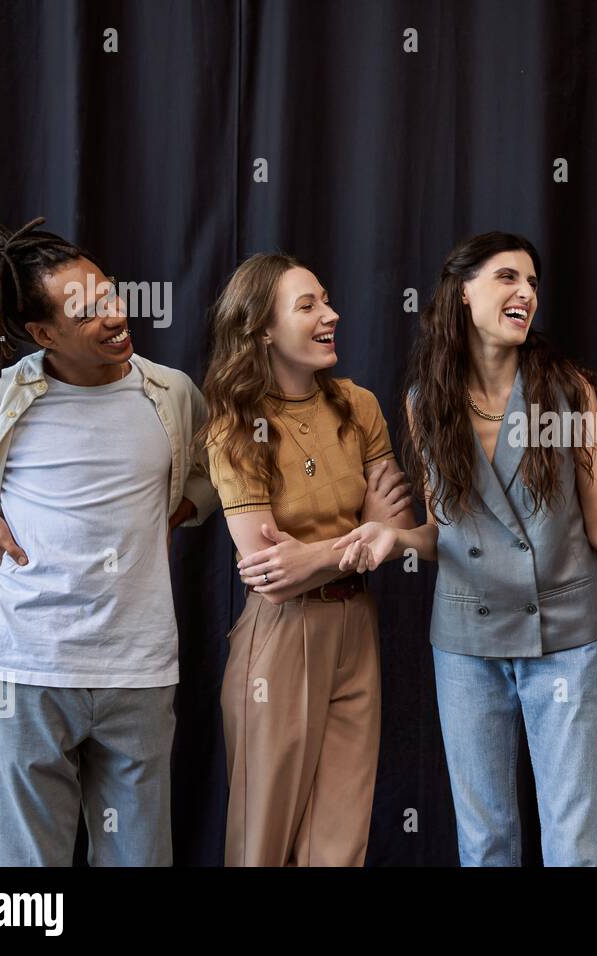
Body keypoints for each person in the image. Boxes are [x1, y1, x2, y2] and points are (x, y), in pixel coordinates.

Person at [333, 231, 597, 866]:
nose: (526, 293)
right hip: (467, 641)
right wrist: (394, 536)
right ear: (463, 292)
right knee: (484, 842)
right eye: (507, 277)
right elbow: (442, 533)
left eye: (533, 282)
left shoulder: (568, 390)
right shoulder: (425, 400)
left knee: (576, 843)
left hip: (565, 638)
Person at [0, 216, 218, 865]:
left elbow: (215, 468)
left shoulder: (171, 393)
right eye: (86, 311)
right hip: (25, 675)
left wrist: (174, 514)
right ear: (43, 333)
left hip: (139, 673)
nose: (115, 316)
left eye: (109, 294)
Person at [201, 253, 413, 866]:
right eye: (308, 305)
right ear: (264, 329)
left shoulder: (358, 404)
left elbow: (397, 528)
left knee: (340, 844)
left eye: (327, 300)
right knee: (262, 843)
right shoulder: (235, 427)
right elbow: (271, 572)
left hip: (356, 626)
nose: (331, 314)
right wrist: (365, 533)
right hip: (281, 634)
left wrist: (322, 552)